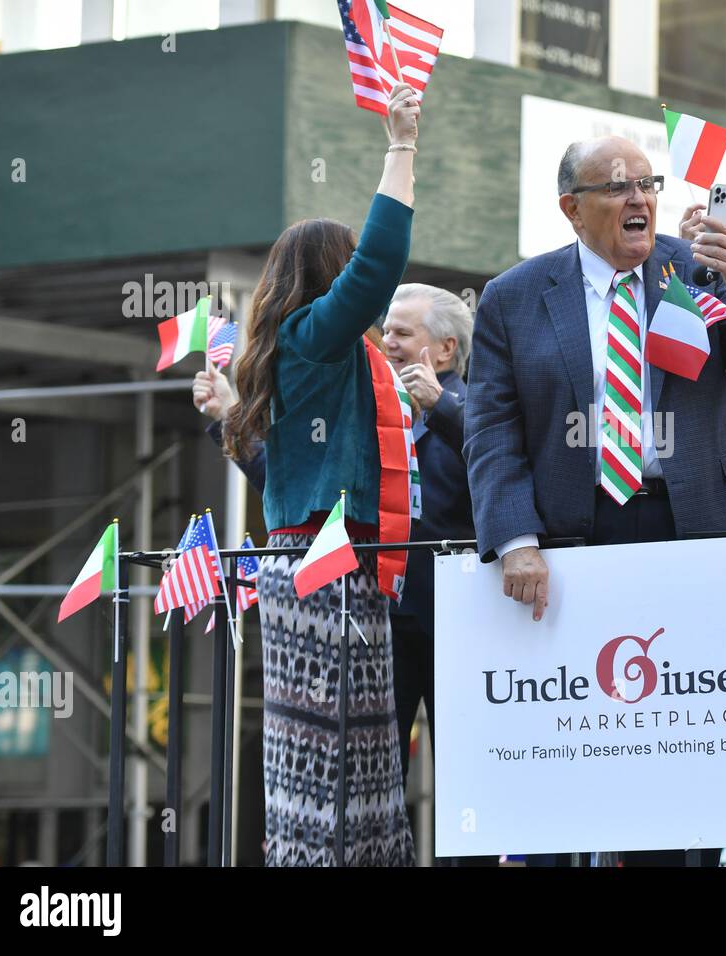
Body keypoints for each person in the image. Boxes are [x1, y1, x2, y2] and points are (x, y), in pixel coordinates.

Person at [463, 134, 726, 865]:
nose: (639, 200)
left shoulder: (696, 264)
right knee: (573, 754)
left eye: (647, 183)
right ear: (571, 209)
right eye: (618, 188)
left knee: (684, 750)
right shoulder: (514, 299)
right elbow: (491, 429)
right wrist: (514, 540)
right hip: (576, 539)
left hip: (695, 525)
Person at [222, 82, 422, 866]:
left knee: (356, 758)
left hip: (328, 566)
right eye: (344, 277)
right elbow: (378, 268)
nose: (358, 296)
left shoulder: (301, 349)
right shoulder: (315, 337)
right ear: (329, 277)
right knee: (334, 763)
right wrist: (400, 147)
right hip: (326, 570)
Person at [377, 284, 477, 847]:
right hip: (387, 618)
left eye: (401, 333)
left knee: (463, 776)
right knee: (374, 772)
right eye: (386, 330)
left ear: (441, 350)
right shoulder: (379, 414)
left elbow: (498, 466)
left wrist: (440, 407)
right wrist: (231, 427)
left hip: (461, 622)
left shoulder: (480, 406)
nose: (386, 342)